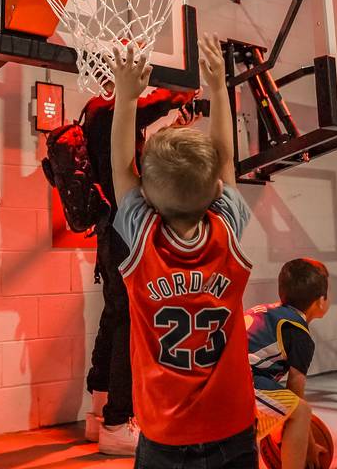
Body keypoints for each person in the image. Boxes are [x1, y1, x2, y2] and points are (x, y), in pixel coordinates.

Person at [109, 35, 257, 469]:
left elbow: (120, 167)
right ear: (216, 190)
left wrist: (125, 96)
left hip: (164, 432)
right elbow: (227, 159)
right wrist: (218, 87)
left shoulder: (143, 238)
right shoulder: (226, 231)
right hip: (232, 422)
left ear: (147, 198)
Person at [81, 88, 198, 455]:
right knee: (129, 323)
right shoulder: (106, 110)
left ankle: (100, 414)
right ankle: (117, 421)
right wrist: (179, 91)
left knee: (114, 317)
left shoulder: (99, 112)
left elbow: (137, 155)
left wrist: (171, 127)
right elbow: (144, 108)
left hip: (110, 228)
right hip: (124, 229)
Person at [247, 258, 331, 469]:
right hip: (238, 379)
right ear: (321, 301)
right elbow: (295, 395)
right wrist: (309, 447)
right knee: (301, 411)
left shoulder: (267, 311)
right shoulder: (299, 334)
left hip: (214, 375)